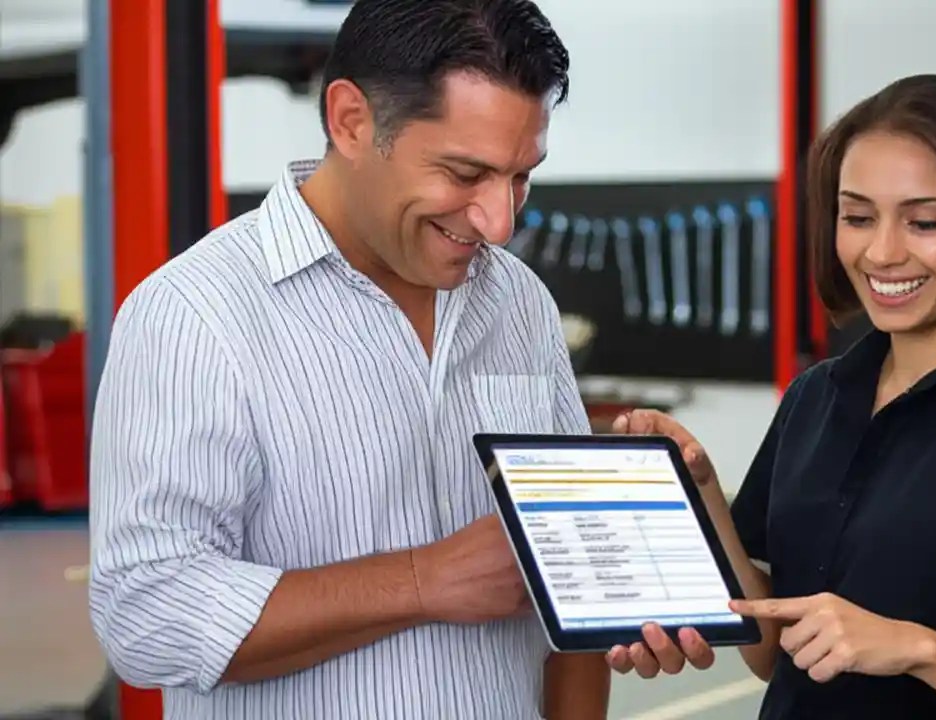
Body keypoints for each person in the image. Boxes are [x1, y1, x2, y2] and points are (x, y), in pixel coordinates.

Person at [87, 1, 609, 718]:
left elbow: (572, 599)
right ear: (352, 122)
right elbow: (146, 615)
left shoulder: (519, 303)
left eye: (522, 176)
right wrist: (422, 580)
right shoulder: (197, 315)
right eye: (465, 173)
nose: (500, 221)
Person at [607, 74, 936, 719]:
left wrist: (918, 649)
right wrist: (706, 496)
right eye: (857, 217)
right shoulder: (815, 399)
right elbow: (775, 652)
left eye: (924, 221)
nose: (883, 253)